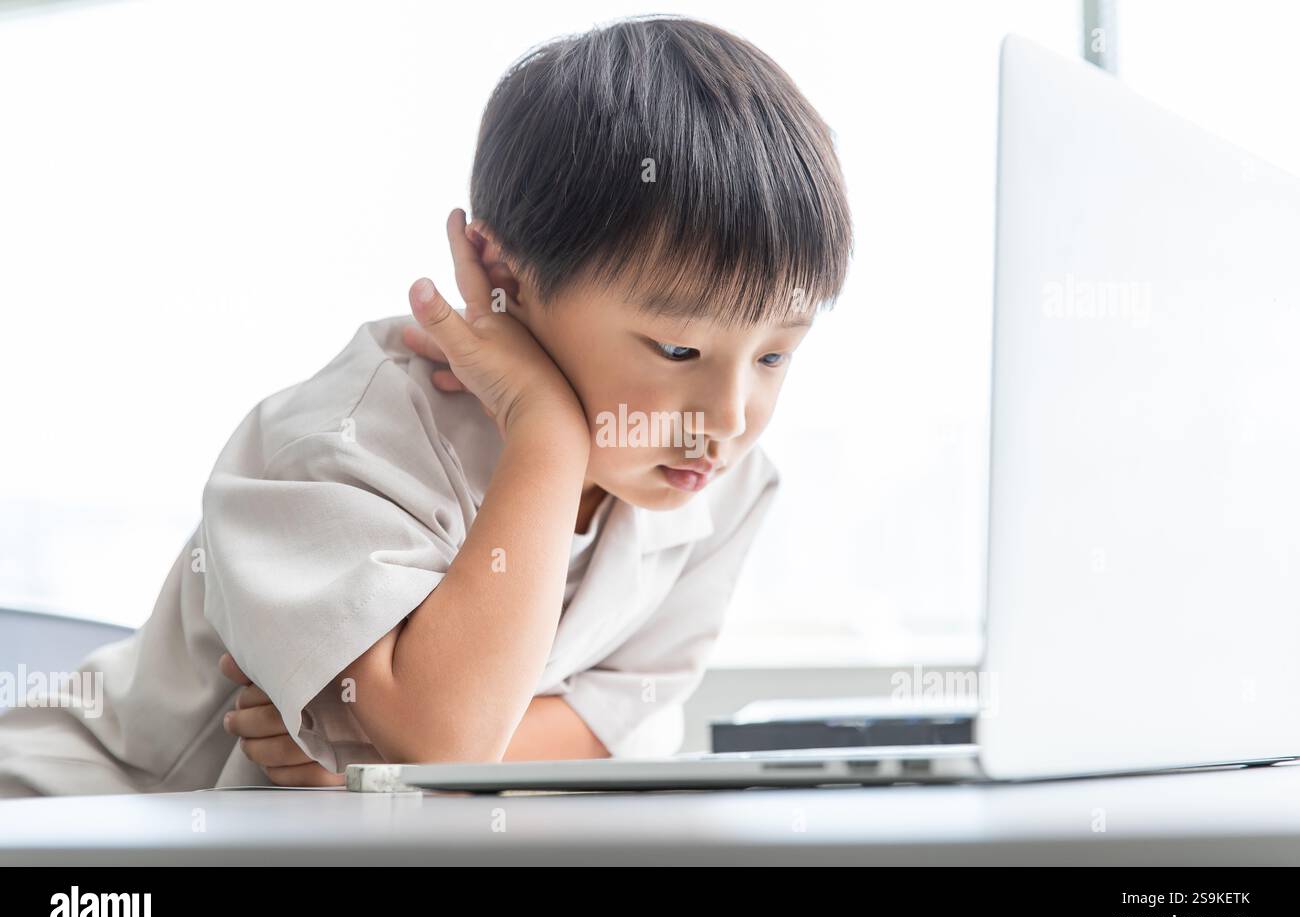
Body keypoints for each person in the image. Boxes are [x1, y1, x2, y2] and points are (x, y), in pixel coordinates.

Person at [0, 14, 852, 797]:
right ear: (504, 276)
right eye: (678, 351)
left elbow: (603, 731)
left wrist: (391, 771)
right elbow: (442, 735)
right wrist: (547, 436)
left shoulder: (725, 487)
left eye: (776, 354)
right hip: (68, 821)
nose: (730, 416)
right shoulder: (347, 439)